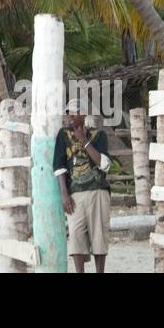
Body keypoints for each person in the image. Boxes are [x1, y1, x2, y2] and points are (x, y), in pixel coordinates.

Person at [53, 102, 112, 273]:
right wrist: (64, 194)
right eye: (68, 113)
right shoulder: (63, 136)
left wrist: (84, 141)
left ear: (84, 114)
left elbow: (104, 165)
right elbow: (59, 166)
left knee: (99, 236)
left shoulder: (98, 135)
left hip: (98, 190)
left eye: (74, 112)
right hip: (75, 194)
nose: (70, 116)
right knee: (76, 234)